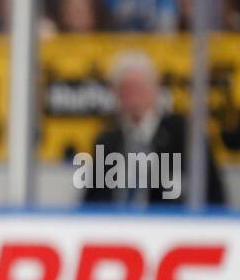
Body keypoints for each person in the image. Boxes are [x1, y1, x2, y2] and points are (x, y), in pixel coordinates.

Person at [84, 50, 226, 207]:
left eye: (139, 88)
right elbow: (91, 202)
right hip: (115, 227)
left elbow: (212, 194)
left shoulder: (184, 134)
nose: (133, 97)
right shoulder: (108, 141)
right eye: (126, 89)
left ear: (155, 90)